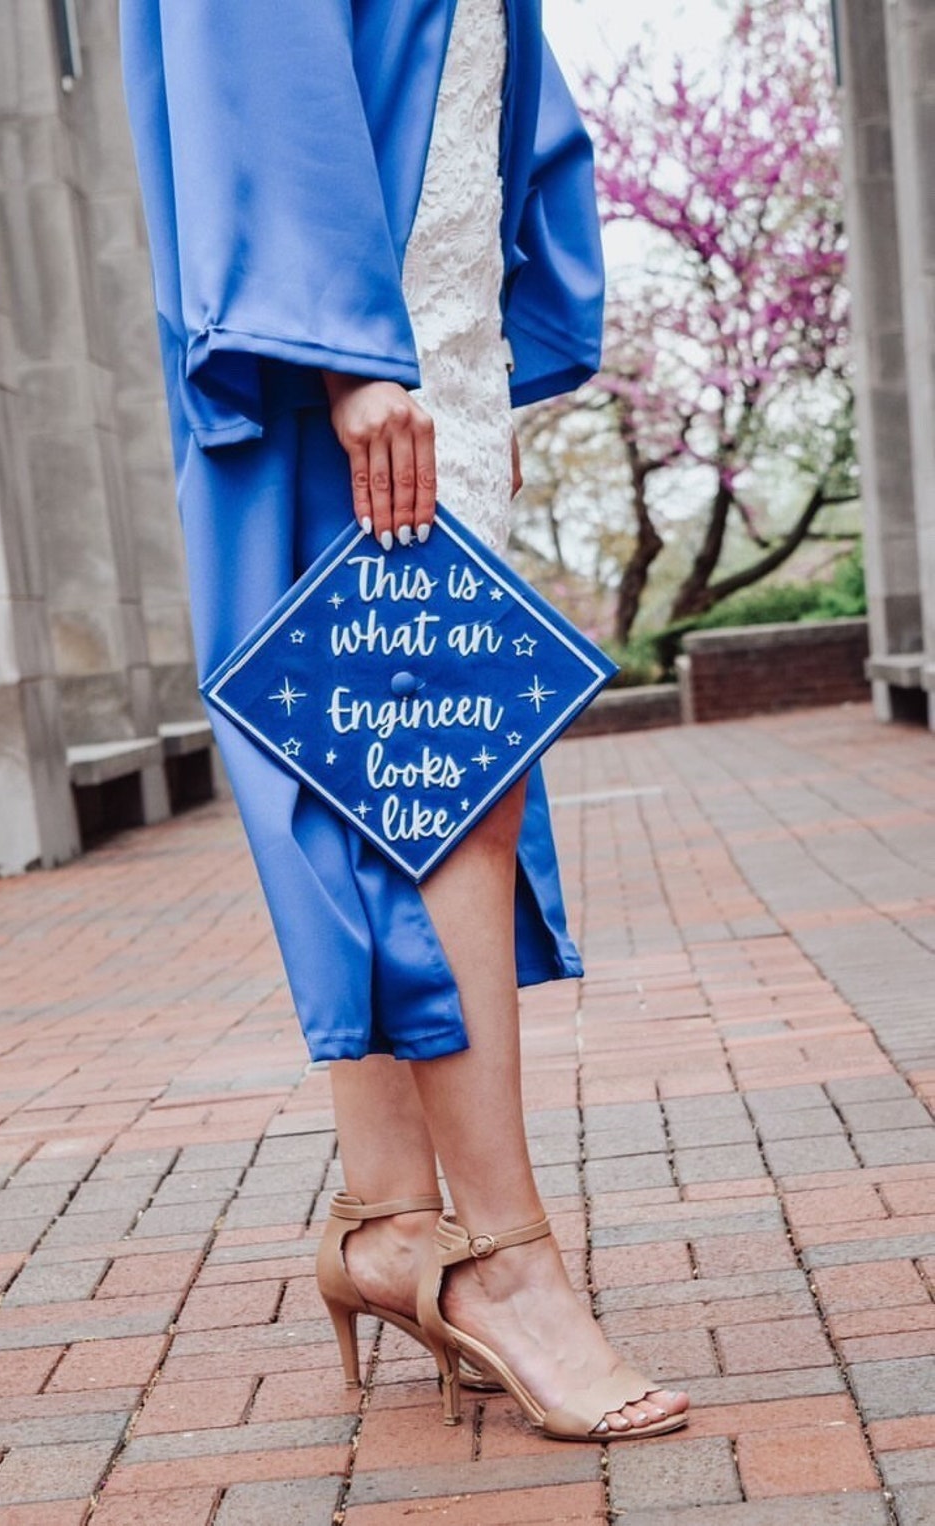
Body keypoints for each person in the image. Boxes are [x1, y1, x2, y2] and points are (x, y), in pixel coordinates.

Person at [121, 0, 689, 1440]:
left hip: (429, 305)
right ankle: (503, 1258)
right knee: (440, 769)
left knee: (387, 764)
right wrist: (345, 350)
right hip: (350, 328)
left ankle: (390, 1217)